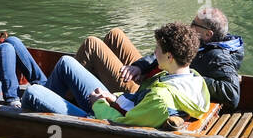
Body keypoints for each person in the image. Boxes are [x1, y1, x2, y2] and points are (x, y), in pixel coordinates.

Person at [23, 22, 210, 129]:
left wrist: (98, 103)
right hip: (116, 106)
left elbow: (122, 122)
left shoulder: (160, 99)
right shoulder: (196, 80)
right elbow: (136, 107)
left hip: (98, 120)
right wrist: (112, 97)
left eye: (157, 49)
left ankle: (25, 125)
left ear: (170, 56)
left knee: (33, 92)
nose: (154, 52)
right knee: (66, 63)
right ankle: (51, 104)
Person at [75, 6, 245, 111]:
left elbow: (232, 95)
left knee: (92, 45)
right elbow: (166, 54)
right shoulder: (205, 44)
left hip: (147, 94)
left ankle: (69, 95)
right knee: (115, 35)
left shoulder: (218, 56)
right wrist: (141, 67)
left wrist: (189, 77)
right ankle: (83, 81)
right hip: (156, 76)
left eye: (194, 24)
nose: (189, 26)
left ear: (208, 34)